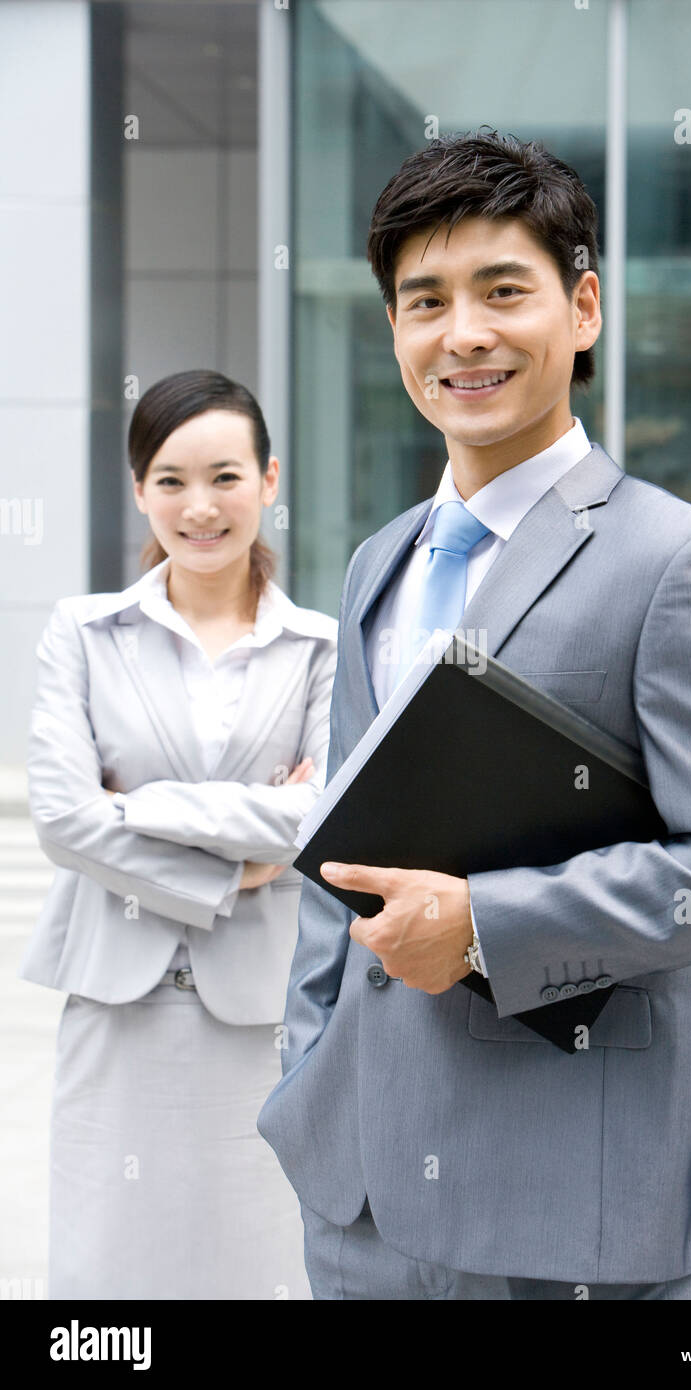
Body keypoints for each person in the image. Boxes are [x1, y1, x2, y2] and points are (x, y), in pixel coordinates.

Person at [257, 131, 691, 1301]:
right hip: (357, 1195)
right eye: (424, 301)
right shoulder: (379, 562)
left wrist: (482, 928)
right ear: (394, 332)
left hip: (566, 1205)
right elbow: (343, 843)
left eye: (501, 291)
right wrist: (305, 1064)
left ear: (582, 308)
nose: (461, 333)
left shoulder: (679, 563)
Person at [22, 369, 337, 1299]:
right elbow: (63, 819)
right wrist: (230, 870)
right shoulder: (83, 632)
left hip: (265, 1011)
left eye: (226, 477)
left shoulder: (321, 646)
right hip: (116, 997)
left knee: (261, 1256)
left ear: (270, 481)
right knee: (109, 1264)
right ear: (139, 489)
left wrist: (138, 805)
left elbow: (314, 817)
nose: (199, 506)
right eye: (170, 479)